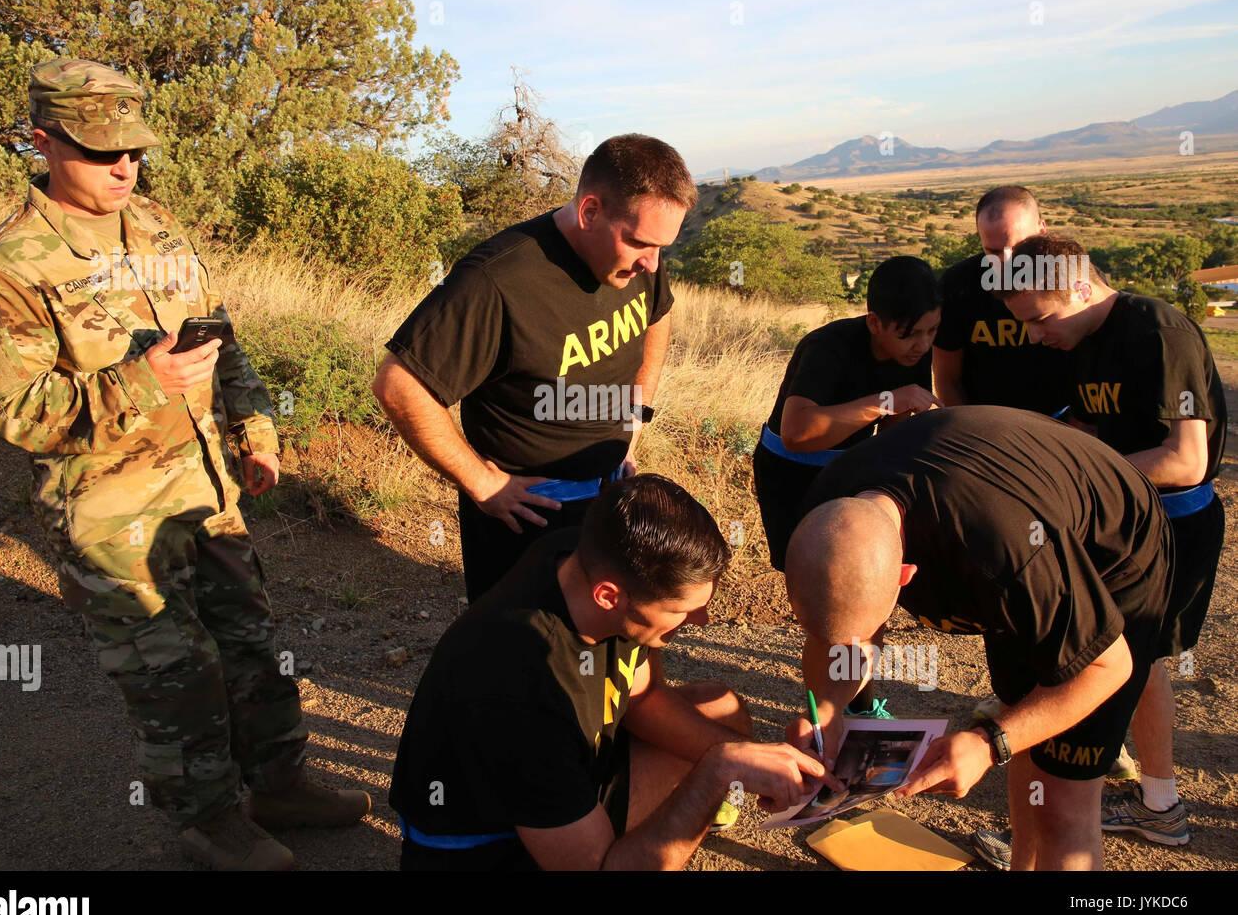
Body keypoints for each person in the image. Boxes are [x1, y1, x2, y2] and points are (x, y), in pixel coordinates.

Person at [0, 58, 368, 871]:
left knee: (250, 642)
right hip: (111, 513)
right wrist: (142, 381)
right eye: (102, 152)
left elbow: (218, 337)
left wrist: (256, 432)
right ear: (42, 141)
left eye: (132, 151)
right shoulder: (3, 267)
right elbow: (6, 410)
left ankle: (278, 784)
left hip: (204, 487)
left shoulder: (158, 226)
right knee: (174, 672)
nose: (124, 167)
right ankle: (208, 821)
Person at [783, 406, 1174, 870]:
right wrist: (826, 715)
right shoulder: (828, 512)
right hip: (1018, 516)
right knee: (1027, 727)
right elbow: (842, 636)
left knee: (1063, 801)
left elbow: (1107, 667)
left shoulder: (1001, 555)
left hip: (1115, 551)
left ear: (906, 576)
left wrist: (990, 744)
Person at [388, 474, 836, 870]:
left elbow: (640, 697)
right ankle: (680, 822)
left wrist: (759, 760)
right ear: (609, 596)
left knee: (723, 711)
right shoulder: (521, 689)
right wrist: (718, 773)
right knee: (709, 769)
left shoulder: (576, 557)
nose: (700, 622)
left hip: (559, 780)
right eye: (682, 609)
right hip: (484, 850)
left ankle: (687, 814)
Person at [373, 134, 696, 602]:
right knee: (520, 652)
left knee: (599, 642)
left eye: (662, 247)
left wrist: (635, 418)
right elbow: (398, 384)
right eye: (641, 244)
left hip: (611, 497)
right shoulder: (498, 280)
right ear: (590, 211)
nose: (652, 262)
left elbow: (658, 314)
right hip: (527, 515)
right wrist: (484, 484)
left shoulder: (640, 262)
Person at [1000, 234, 1225, 849]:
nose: (1034, 335)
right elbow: (1089, 427)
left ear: (1077, 286)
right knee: (1134, 660)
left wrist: (1072, 482)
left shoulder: (1159, 331)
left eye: (1040, 320)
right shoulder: (1083, 339)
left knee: (1115, 662)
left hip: (1173, 526)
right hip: (1124, 522)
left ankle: (1077, 818)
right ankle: (1156, 803)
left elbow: (1185, 460)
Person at [753, 254, 941, 573]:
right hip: (789, 474)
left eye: (932, 330)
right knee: (809, 571)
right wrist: (886, 401)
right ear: (874, 323)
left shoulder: (915, 351)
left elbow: (891, 435)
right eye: (909, 334)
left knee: (856, 563)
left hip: (852, 466)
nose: (922, 345)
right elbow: (796, 434)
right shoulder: (827, 347)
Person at [933, 186, 1068, 414]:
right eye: (993, 251)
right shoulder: (958, 285)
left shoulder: (1071, 274)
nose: (1007, 263)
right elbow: (947, 379)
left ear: (1042, 230)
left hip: (1063, 421)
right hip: (986, 426)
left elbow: (1096, 366)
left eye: (1017, 248)